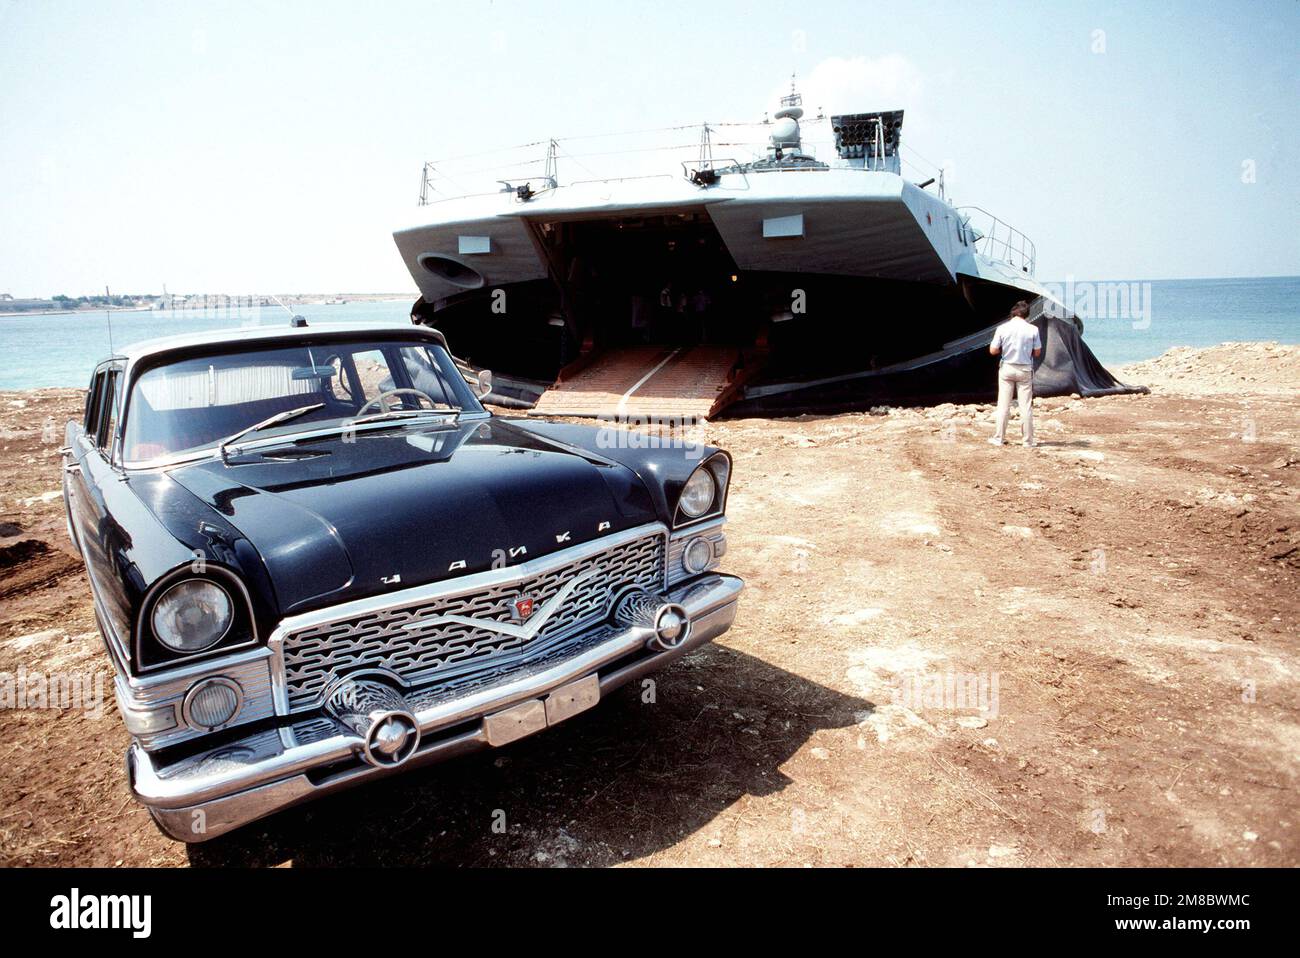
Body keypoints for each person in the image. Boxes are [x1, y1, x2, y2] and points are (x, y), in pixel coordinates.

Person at [987, 300, 1042, 447]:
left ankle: (999, 438)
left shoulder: (1002, 328)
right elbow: (1037, 353)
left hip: (1007, 368)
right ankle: (1027, 441)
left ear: (1013, 313)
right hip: (1024, 369)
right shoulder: (1033, 330)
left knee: (1003, 405)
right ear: (1027, 315)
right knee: (1026, 406)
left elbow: (993, 350)